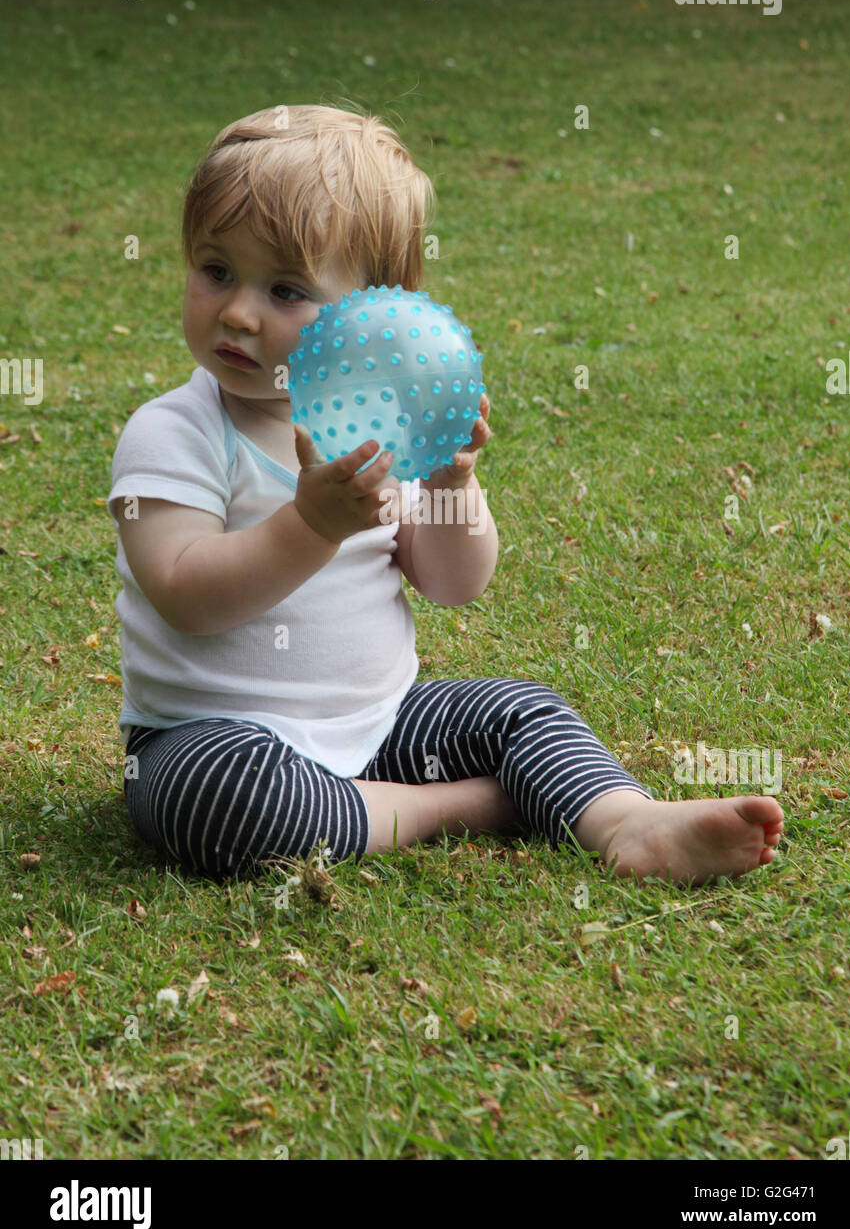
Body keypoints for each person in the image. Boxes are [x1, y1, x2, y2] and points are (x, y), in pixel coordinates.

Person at [107, 103, 783, 883]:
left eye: (286, 290)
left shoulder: (372, 426)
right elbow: (186, 595)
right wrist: (310, 525)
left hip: (384, 725)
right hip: (208, 736)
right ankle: (472, 806)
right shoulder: (172, 433)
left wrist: (451, 483)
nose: (236, 311)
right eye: (215, 270)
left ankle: (626, 819)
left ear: (373, 311)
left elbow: (454, 583)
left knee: (520, 707)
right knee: (216, 801)